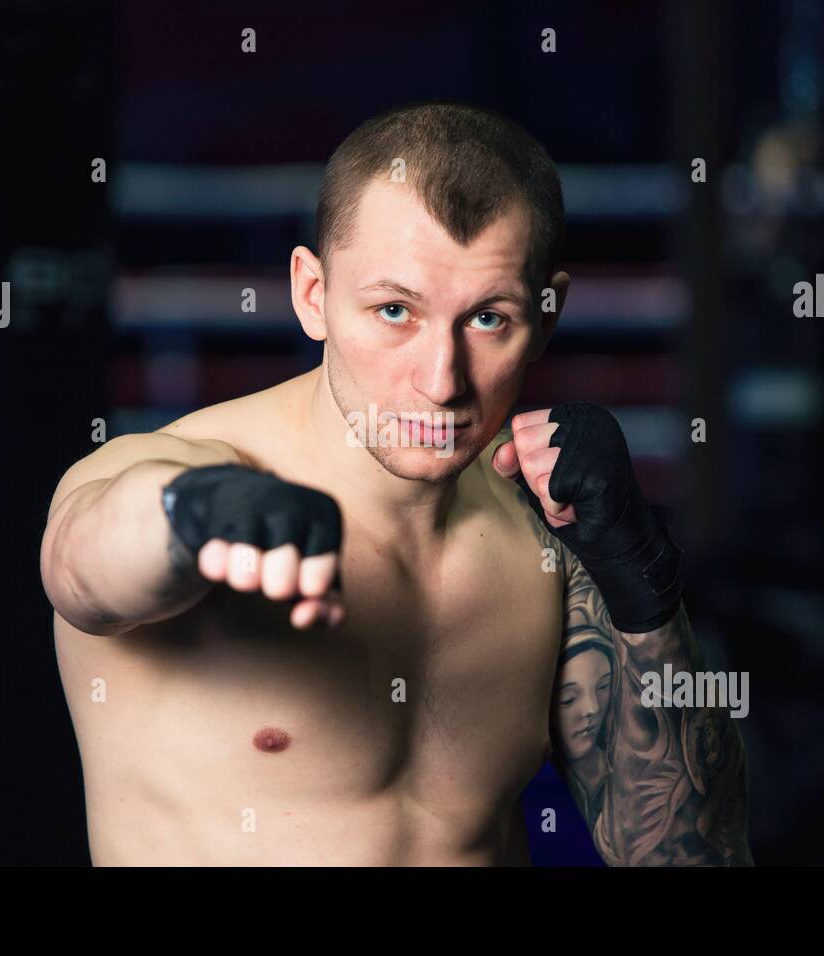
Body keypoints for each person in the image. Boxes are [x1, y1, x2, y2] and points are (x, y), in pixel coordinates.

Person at [39, 101, 752, 865]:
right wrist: (193, 518)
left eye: (487, 319)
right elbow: (84, 568)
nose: (440, 381)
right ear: (312, 295)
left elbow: (685, 854)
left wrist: (641, 579)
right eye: (393, 310)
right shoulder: (166, 473)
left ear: (547, 316)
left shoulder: (547, 530)